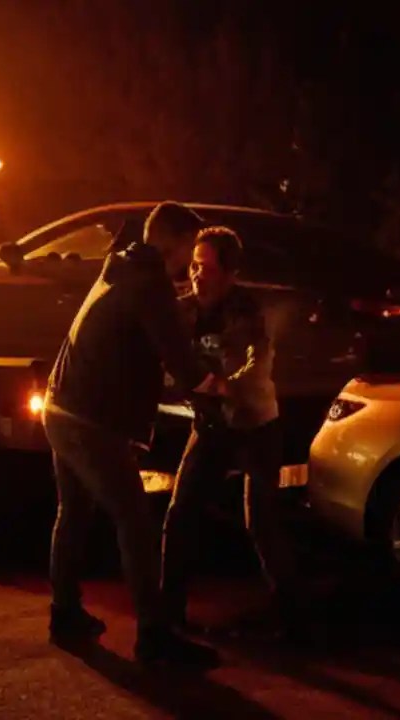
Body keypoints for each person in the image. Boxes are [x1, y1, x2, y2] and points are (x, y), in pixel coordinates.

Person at [44, 201, 222, 669]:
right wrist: (217, 388)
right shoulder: (149, 283)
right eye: (190, 247)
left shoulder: (121, 265)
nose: (190, 261)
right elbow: (179, 359)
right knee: (136, 521)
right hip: (90, 420)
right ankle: (154, 636)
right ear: (173, 242)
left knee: (74, 511)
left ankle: (64, 613)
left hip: (62, 406)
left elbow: (139, 329)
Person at [161, 226, 306, 639]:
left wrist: (225, 386)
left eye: (206, 268)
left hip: (254, 424)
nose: (196, 275)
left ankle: (293, 614)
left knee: (260, 520)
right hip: (211, 426)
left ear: (229, 273)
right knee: (181, 512)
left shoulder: (246, 312)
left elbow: (257, 361)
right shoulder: (185, 308)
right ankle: (168, 610)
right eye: (194, 266)